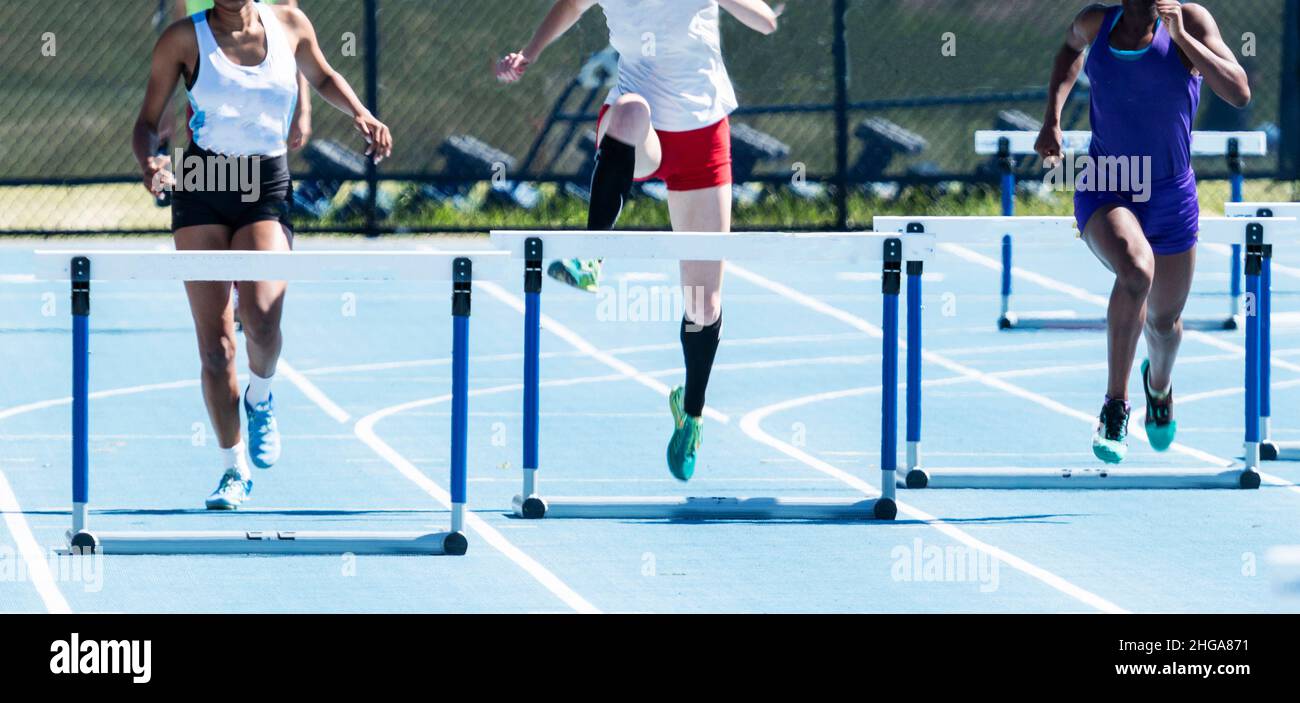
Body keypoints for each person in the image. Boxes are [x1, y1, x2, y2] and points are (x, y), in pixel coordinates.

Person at [496, 0, 781, 482]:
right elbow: (569, 6)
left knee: (704, 302)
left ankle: (690, 411)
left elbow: (766, 23)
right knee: (629, 110)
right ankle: (593, 258)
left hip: (702, 136)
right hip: (641, 133)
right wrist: (530, 52)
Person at [133, 0, 392, 508]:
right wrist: (151, 162)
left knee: (264, 318)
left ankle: (262, 395)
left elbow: (322, 75)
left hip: (264, 184)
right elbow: (146, 122)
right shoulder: (183, 39)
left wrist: (361, 113)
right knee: (215, 347)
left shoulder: (290, 23)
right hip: (202, 182)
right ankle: (233, 469)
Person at [1035, 0, 1250, 463]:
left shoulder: (1190, 21)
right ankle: (1116, 405)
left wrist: (1184, 40)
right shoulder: (1097, 21)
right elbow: (1069, 49)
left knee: (1164, 324)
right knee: (1135, 271)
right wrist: (1052, 114)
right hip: (1107, 181)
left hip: (1172, 194)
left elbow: (1239, 92)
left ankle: (1160, 387)